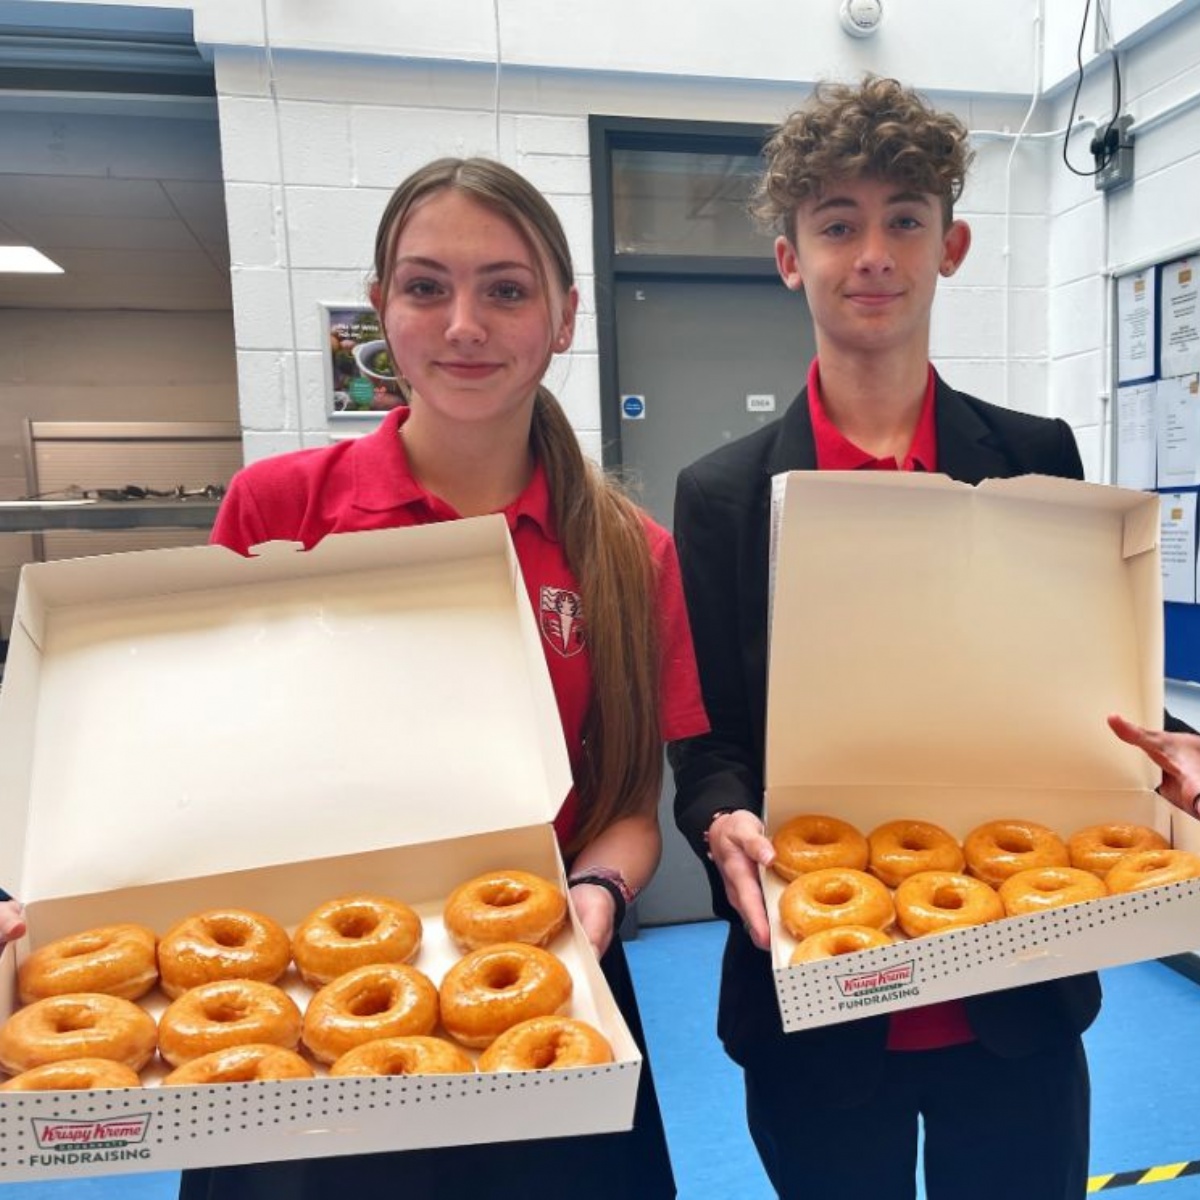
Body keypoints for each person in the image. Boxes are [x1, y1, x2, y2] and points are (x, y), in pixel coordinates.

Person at [0, 156, 706, 1198]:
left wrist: (597, 890)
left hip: (549, 1000)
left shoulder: (625, 553)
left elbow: (631, 810)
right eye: (426, 287)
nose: (464, 323)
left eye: (505, 289)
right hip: (285, 1004)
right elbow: (186, 770)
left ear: (563, 317)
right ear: (380, 310)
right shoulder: (277, 512)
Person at [668, 75, 1200, 1200]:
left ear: (950, 245)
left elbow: (1079, 687)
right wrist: (722, 821)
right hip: (813, 1006)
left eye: (905, 218)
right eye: (837, 224)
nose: (874, 252)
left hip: (1019, 1003)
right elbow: (706, 738)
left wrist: (1158, 755)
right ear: (788, 256)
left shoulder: (1032, 458)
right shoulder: (723, 495)